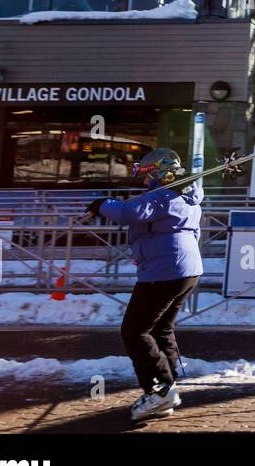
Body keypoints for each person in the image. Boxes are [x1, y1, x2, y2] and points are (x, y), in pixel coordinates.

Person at [87, 148, 203, 422]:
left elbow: (131, 212)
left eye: (143, 173)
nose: (140, 179)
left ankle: (159, 390)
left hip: (165, 271)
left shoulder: (164, 195)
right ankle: (167, 386)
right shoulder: (185, 195)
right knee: (161, 328)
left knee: (134, 331)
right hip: (184, 270)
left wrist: (102, 203)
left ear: (157, 172)